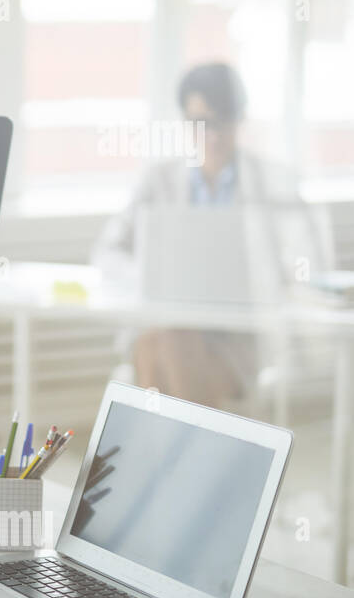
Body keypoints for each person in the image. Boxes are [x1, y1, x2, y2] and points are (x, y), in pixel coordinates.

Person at [93, 62, 331, 408]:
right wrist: (147, 275)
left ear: (241, 118)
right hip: (164, 324)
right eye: (202, 123)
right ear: (185, 121)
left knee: (161, 347)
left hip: (238, 339)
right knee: (164, 338)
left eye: (224, 122)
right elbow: (108, 251)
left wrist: (276, 280)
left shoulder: (273, 182)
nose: (214, 136)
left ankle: (166, 459)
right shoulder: (157, 180)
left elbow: (305, 263)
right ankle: (192, 457)